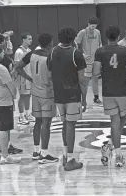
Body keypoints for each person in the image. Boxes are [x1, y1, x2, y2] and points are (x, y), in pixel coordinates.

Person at [93, 25, 126, 167]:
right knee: (119, 122)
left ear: (106, 37)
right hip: (122, 90)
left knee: (115, 123)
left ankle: (109, 147)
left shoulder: (100, 51)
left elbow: (95, 71)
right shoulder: (125, 51)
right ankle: (118, 156)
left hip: (107, 91)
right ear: (118, 37)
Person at [14, 33, 59, 163]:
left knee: (37, 122)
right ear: (50, 43)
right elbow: (53, 77)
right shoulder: (50, 57)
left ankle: (36, 150)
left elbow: (17, 67)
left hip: (35, 92)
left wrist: (30, 78)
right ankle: (44, 154)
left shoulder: (31, 54)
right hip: (47, 93)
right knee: (46, 123)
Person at [47, 28, 86, 171]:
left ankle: (64, 155)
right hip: (73, 94)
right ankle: (70, 159)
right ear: (72, 39)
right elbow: (82, 80)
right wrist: (85, 98)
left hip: (59, 94)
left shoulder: (52, 52)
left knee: (65, 123)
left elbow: (50, 76)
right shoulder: (76, 53)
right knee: (70, 125)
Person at [0, 33, 23, 155]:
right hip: (3, 101)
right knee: (4, 129)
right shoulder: (1, 66)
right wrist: (14, 95)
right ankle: (5, 154)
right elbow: (10, 84)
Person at [75, 16, 103, 111]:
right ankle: (83, 100)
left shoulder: (98, 32)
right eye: (91, 26)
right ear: (88, 25)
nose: (92, 28)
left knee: (95, 78)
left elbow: (100, 44)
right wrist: (82, 54)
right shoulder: (82, 32)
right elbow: (75, 44)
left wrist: (100, 55)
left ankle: (96, 97)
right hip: (86, 60)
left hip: (95, 59)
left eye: (94, 26)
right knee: (85, 81)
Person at [14, 32, 34, 125]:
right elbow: (17, 67)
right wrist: (24, 76)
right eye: (29, 39)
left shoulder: (29, 50)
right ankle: (21, 116)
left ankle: (27, 114)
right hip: (22, 77)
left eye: (31, 39)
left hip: (29, 77)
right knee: (22, 96)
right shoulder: (19, 52)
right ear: (23, 40)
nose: (31, 41)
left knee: (28, 95)